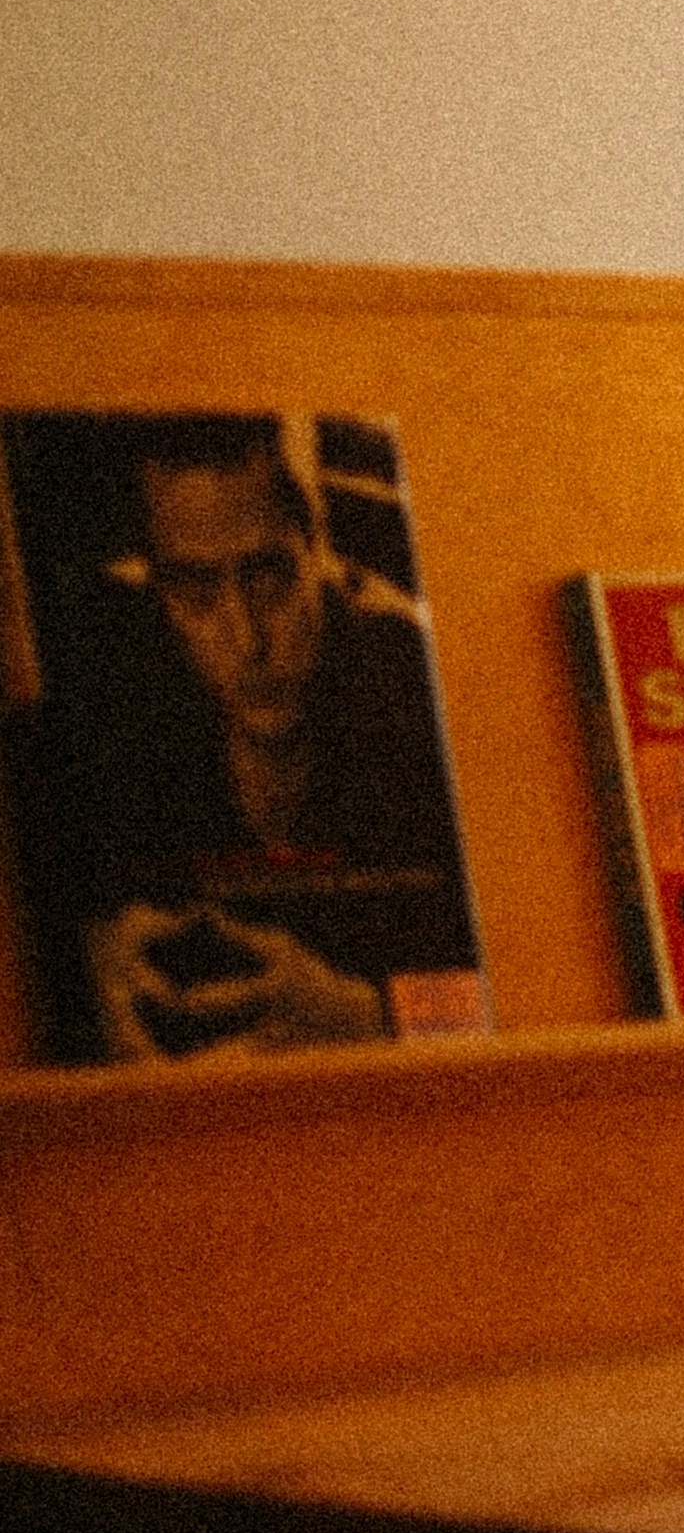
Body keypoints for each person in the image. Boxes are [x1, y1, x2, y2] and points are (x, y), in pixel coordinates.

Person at [70, 417, 479, 1057]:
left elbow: (502, 997)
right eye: (197, 594)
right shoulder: (110, 704)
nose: (246, 638)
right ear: (157, 588)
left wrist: (363, 1013)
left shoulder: (417, 689)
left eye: (267, 579)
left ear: (317, 550)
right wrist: (88, 987)